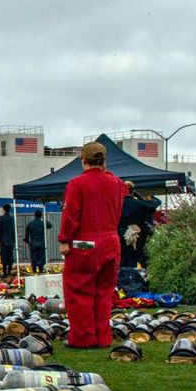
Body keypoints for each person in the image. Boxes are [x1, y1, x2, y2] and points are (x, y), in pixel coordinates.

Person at [59, 142, 127, 349]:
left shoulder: (77, 184)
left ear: (83, 160)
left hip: (85, 243)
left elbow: (71, 214)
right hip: (111, 242)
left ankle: (83, 337)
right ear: (104, 160)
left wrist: (65, 239)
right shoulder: (116, 182)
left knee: (79, 291)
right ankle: (102, 337)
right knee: (104, 293)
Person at [118, 181, 161, 269]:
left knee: (120, 261)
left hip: (117, 236)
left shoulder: (115, 204)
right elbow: (155, 203)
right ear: (133, 191)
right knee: (132, 261)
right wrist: (140, 197)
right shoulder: (137, 204)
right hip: (134, 236)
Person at [0, 204, 16, 277]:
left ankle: (4, 272)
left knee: (4, 256)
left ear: (4, 209)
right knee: (10, 256)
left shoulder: (1, 218)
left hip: (3, 240)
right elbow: (13, 230)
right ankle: (9, 271)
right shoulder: (12, 218)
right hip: (11, 240)